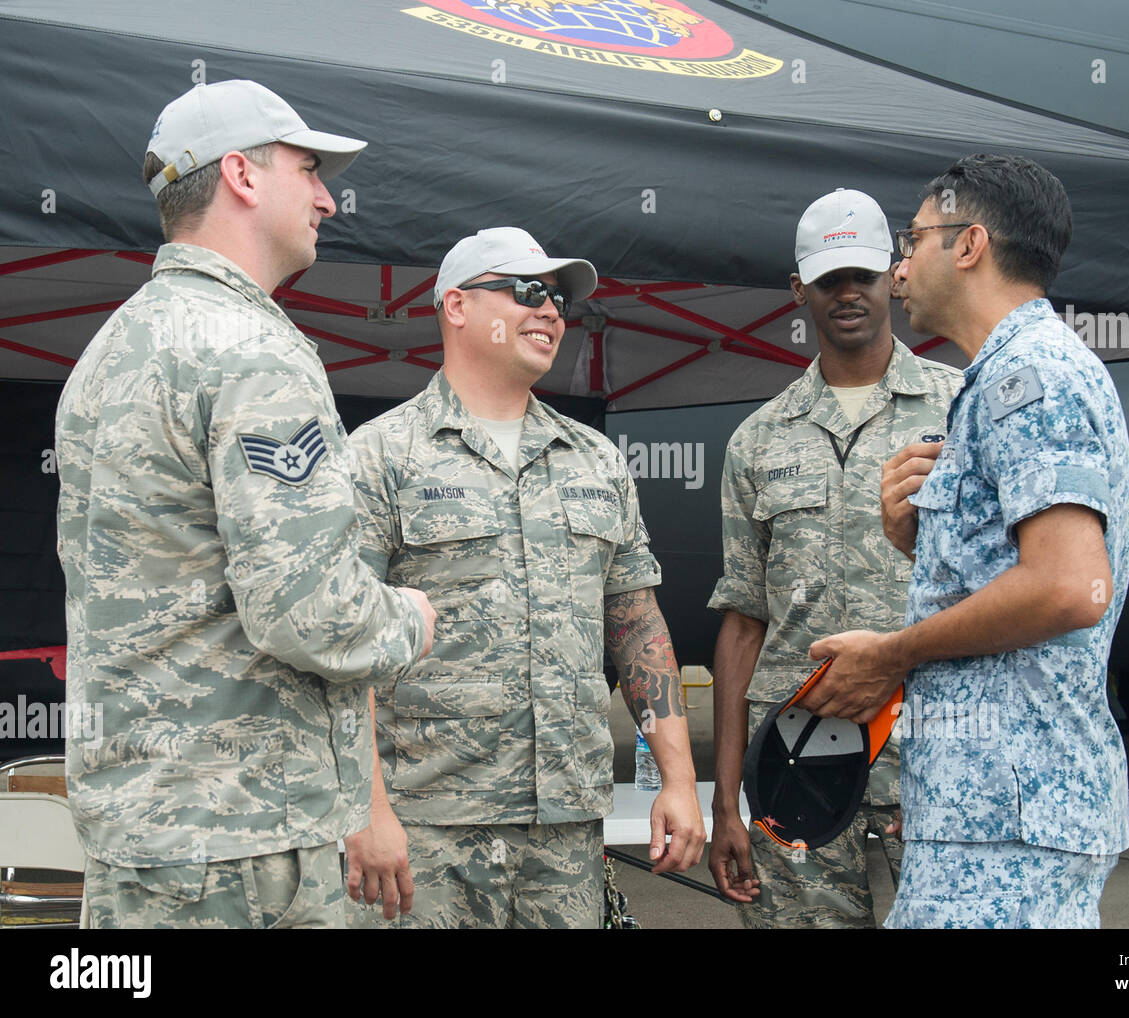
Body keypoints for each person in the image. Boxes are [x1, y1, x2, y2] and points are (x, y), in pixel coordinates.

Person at [55, 79, 437, 929]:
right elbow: (308, 612)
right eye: (309, 168)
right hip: (243, 845)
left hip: (148, 835)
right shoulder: (251, 350)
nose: (329, 198)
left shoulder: (111, 348)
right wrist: (410, 617)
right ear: (241, 174)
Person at [803, 154, 1129, 928]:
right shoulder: (1010, 373)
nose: (899, 265)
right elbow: (1021, 580)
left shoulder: (1031, 376)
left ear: (970, 244)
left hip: (1011, 818)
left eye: (912, 238)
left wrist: (893, 653)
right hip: (991, 810)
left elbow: (1067, 587)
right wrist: (922, 539)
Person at [343, 227, 706, 929]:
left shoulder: (595, 460)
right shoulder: (380, 456)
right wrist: (367, 811)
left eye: (561, 300)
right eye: (529, 290)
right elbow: (343, 650)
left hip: (564, 835)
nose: (551, 311)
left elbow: (637, 630)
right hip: (426, 833)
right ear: (456, 306)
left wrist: (681, 782)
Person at [707, 189, 962, 927]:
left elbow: (1012, 589)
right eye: (828, 280)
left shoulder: (961, 408)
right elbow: (743, 621)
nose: (847, 293)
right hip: (797, 772)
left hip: (935, 767)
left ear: (895, 274)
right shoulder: (758, 440)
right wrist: (727, 799)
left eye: (863, 275)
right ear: (800, 290)